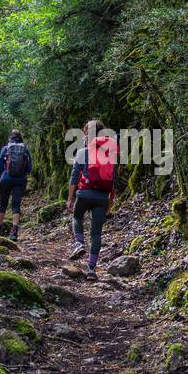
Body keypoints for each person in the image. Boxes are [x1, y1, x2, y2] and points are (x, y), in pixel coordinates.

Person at [66, 119, 117, 279]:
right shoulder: (110, 152)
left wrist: (70, 198)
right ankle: (91, 270)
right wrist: (110, 202)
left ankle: (79, 243)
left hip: (84, 194)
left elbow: (74, 178)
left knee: (76, 216)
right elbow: (112, 179)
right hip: (102, 196)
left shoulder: (82, 152)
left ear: (87, 134)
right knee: (96, 234)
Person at [0, 129, 32, 240]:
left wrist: (4, 173)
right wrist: (23, 175)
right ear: (21, 138)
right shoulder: (25, 149)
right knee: (16, 205)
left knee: (2, 204)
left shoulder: (6, 148)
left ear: (10, 138)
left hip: (6, 179)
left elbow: (0, 163)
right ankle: (14, 232)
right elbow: (29, 167)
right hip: (20, 181)